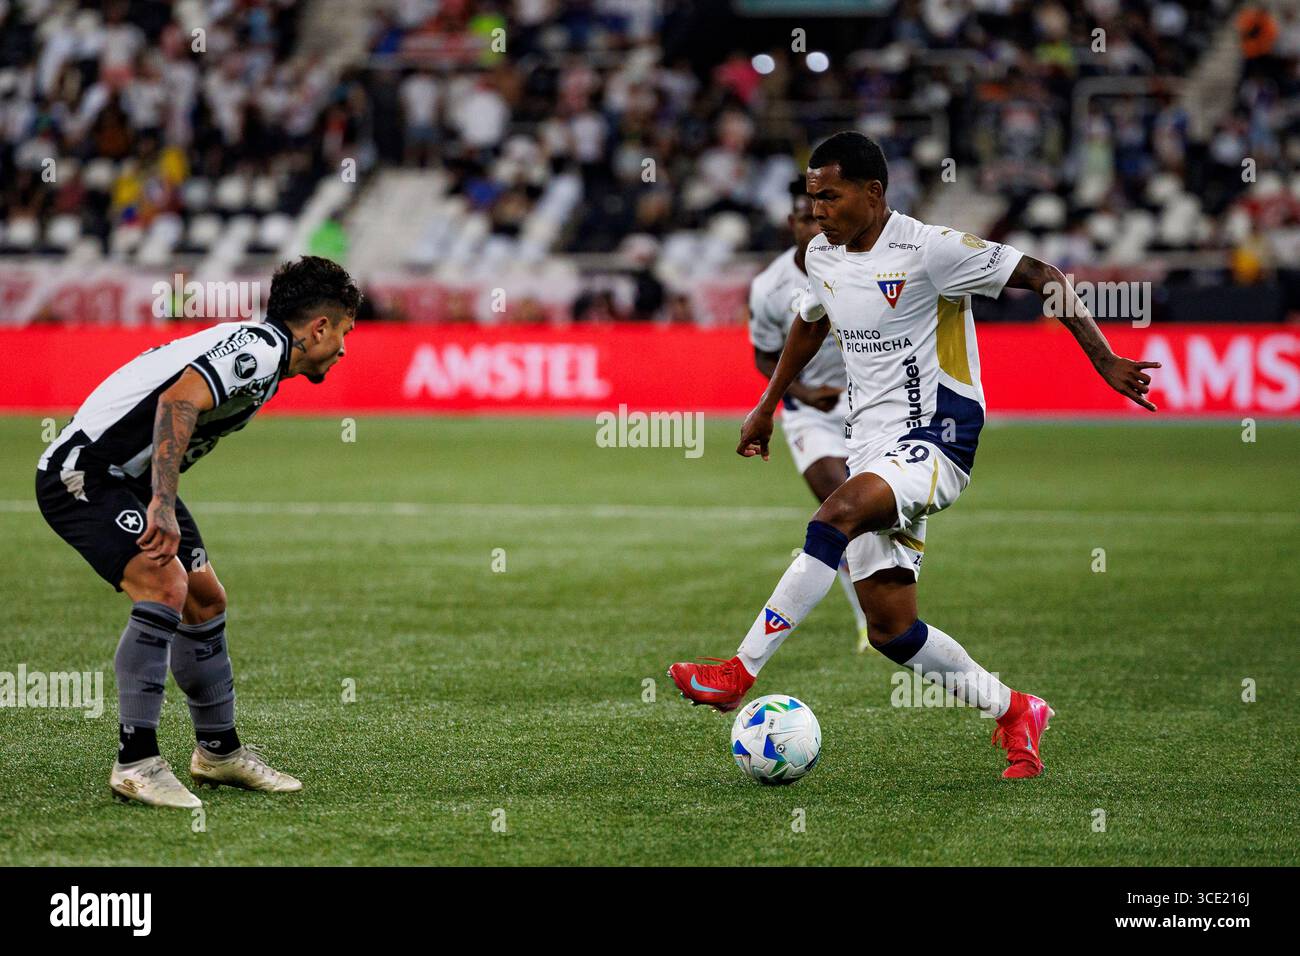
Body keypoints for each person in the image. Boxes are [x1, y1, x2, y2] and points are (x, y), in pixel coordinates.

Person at [669, 132, 1159, 779]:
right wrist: (768, 404)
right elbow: (812, 321)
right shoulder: (822, 255)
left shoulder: (932, 250)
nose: (817, 210)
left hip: (939, 439)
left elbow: (1043, 276)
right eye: (811, 197)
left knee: (832, 518)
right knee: (892, 631)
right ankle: (1015, 710)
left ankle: (738, 671)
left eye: (830, 196)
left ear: (874, 194)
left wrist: (1103, 359)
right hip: (870, 445)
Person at [35, 256, 360, 807]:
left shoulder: (261, 352)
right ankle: (136, 763)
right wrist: (163, 500)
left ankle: (218, 753)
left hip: (132, 480)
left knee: (205, 600)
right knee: (165, 586)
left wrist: (158, 492)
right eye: (345, 332)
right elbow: (177, 400)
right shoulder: (260, 349)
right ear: (319, 327)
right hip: (87, 474)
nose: (346, 348)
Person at [748, 178, 869, 650]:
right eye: (804, 216)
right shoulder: (769, 287)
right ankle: (868, 621)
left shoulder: (854, 264)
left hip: (868, 406)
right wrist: (799, 391)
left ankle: (888, 615)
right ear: (792, 222)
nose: (813, 223)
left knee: (876, 520)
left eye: (821, 210)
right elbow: (763, 355)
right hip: (808, 413)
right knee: (841, 507)